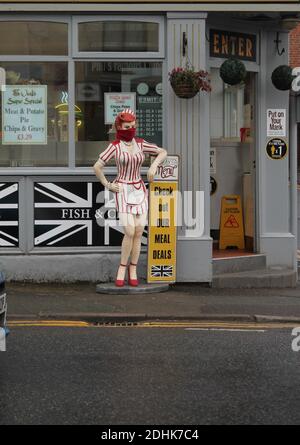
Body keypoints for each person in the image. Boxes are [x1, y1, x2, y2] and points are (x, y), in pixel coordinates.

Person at [93, 108, 167, 287]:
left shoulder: (141, 144)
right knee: (130, 230)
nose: (131, 129)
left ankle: (132, 269)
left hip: (139, 188)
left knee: (140, 231)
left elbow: (162, 152)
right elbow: (97, 166)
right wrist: (108, 185)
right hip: (123, 189)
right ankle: (122, 267)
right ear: (119, 127)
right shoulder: (115, 146)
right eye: (127, 126)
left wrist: (153, 166)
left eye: (133, 126)